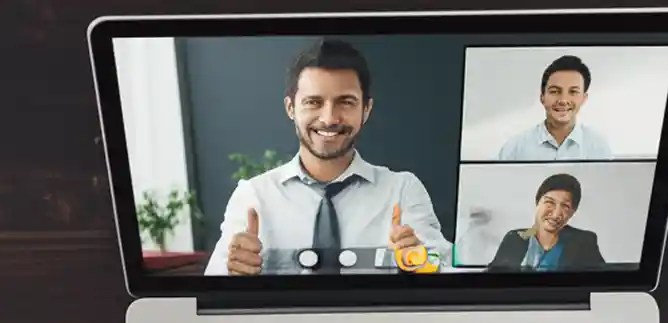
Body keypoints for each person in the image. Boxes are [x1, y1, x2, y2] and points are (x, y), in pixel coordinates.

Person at [205, 39, 450, 275]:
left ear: (366, 110)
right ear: (291, 108)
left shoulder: (402, 191)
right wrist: (234, 274)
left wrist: (424, 262)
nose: (329, 118)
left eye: (345, 102)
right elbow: (210, 292)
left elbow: (450, 270)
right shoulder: (252, 197)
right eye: (314, 102)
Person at [496, 55, 614, 162]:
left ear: (584, 98)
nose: (563, 100)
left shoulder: (599, 149)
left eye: (573, 92)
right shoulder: (514, 148)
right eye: (555, 91)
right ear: (542, 97)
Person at [487, 173, 606, 272]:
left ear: (572, 212)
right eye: (550, 202)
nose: (556, 214)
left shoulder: (583, 241)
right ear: (538, 202)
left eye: (565, 206)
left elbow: (603, 279)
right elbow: (491, 279)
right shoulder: (515, 238)